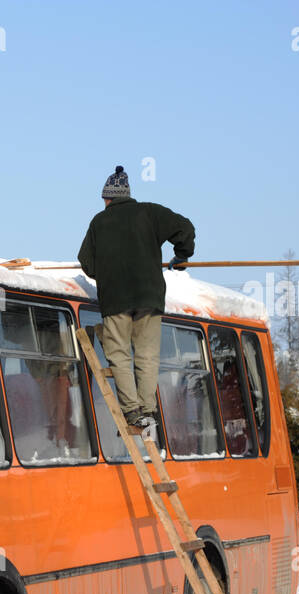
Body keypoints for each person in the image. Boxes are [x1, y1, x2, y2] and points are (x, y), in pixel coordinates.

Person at [77, 165, 195, 433]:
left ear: (108, 198)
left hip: (116, 300)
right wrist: (182, 255)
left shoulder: (99, 222)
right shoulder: (150, 212)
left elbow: (86, 263)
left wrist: (106, 272)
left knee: (118, 354)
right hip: (150, 298)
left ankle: (131, 412)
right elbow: (185, 228)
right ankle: (148, 410)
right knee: (147, 354)